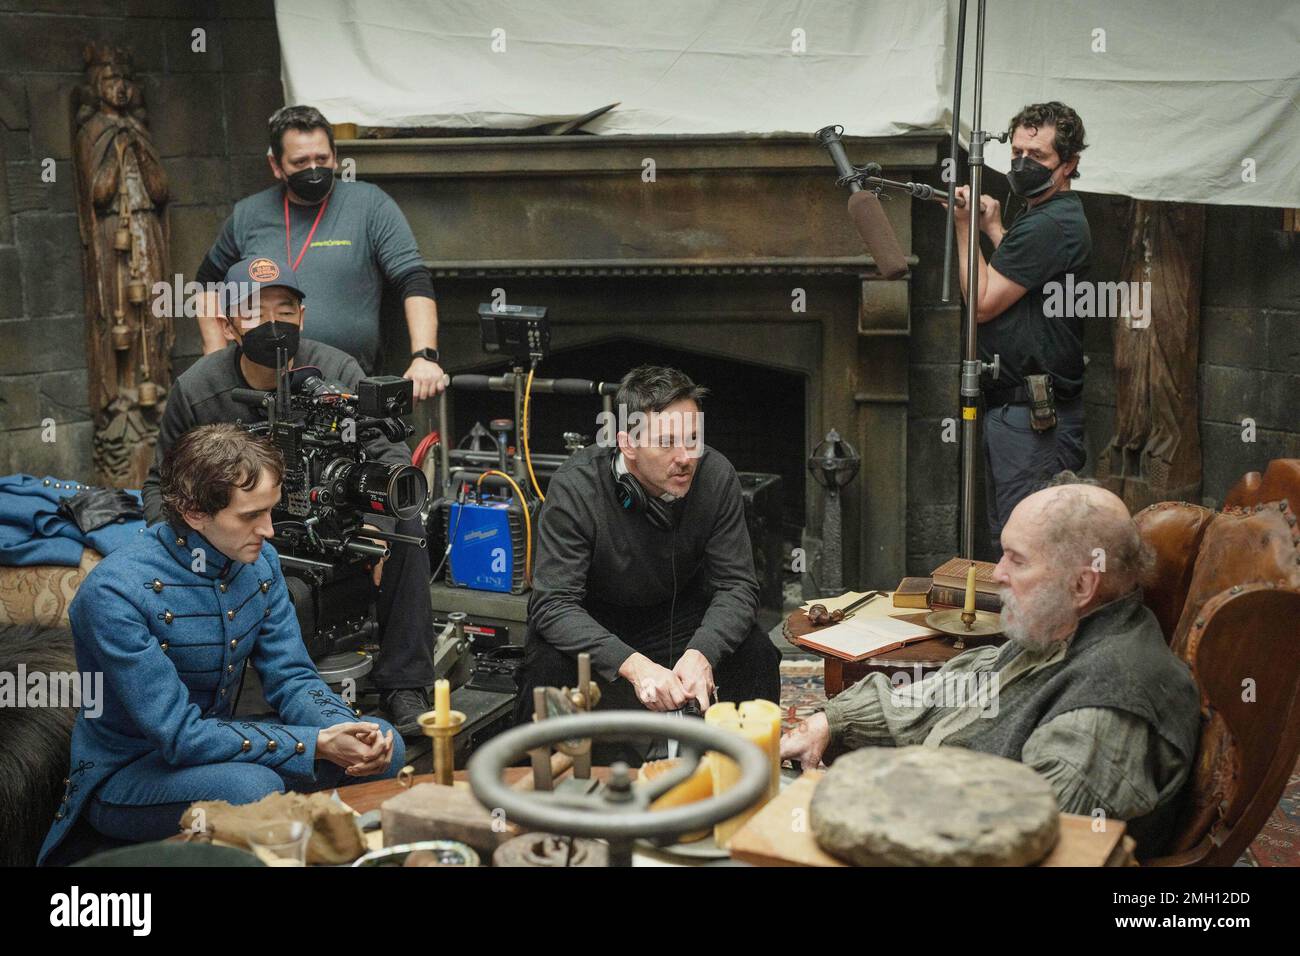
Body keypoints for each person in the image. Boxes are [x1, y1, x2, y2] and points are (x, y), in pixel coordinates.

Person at [39, 425, 403, 865]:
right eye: (250, 516)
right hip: (132, 774)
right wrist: (314, 743)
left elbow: (292, 678)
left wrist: (344, 730)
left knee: (384, 743)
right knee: (251, 789)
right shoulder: (114, 594)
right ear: (194, 512)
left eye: (270, 510)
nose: (268, 531)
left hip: (220, 749)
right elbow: (180, 736)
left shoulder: (257, 558)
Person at [780, 482, 1201, 857]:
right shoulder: (1059, 634)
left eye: (1017, 561)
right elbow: (949, 691)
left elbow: (1019, 844)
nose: (996, 574)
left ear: (1081, 586)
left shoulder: (1105, 706)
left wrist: (867, 811)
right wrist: (830, 722)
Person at [141, 255, 436, 736]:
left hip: (334, 521)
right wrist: (181, 542)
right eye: (256, 312)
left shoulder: (338, 371)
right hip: (249, 530)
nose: (273, 324)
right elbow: (159, 482)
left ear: (302, 316)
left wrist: (377, 527)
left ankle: (406, 683)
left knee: (408, 528)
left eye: (286, 309)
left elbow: (393, 461)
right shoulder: (198, 389)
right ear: (229, 324)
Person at [513, 365, 781, 763]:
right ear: (627, 444)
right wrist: (634, 667)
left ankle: (742, 780)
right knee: (544, 664)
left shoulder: (717, 476)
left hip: (681, 618)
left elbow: (737, 587)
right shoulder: (575, 487)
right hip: (597, 621)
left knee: (757, 652)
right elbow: (552, 605)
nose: (686, 457)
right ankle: (534, 795)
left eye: (693, 439)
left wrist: (702, 652)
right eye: (668, 443)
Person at [193, 104, 447, 400]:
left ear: (335, 157)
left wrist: (424, 356)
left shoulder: (370, 205)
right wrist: (214, 355)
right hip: (262, 386)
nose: (314, 170)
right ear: (276, 165)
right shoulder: (248, 215)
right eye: (300, 162)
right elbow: (207, 282)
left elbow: (413, 278)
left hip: (349, 384)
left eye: (322, 158)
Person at [944, 101, 1092, 557]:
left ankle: (1036, 632)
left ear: (1068, 164)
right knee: (1016, 543)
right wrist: (994, 230)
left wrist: (965, 227)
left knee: (1031, 550)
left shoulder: (1050, 224)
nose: (1023, 164)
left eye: (1039, 157)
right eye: (1016, 153)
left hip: (1033, 421)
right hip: (1022, 414)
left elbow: (984, 305)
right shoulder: (1049, 220)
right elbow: (1025, 282)